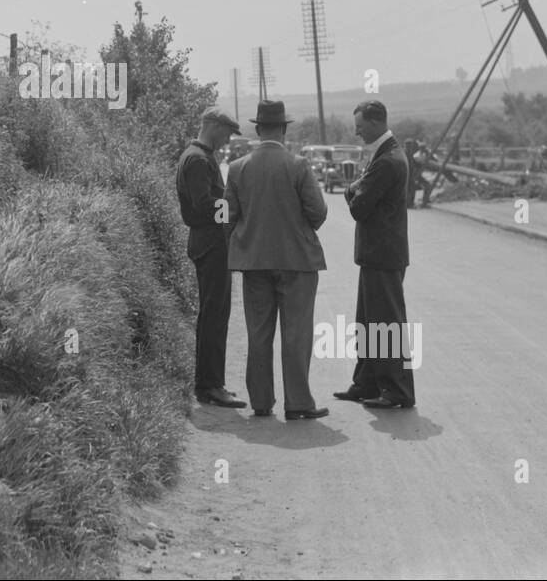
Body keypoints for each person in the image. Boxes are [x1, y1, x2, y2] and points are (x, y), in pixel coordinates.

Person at [223, 99, 329, 420]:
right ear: (283, 129)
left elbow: (228, 216)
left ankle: (261, 401)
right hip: (297, 262)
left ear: (257, 129)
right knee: (296, 334)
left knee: (258, 333)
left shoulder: (238, 167)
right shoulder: (297, 165)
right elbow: (319, 212)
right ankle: (297, 403)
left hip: (254, 263)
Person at [335, 100, 416, 410]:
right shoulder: (388, 154)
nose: (356, 132)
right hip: (378, 254)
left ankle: (398, 390)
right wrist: (357, 187)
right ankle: (366, 383)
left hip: (383, 254)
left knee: (386, 324)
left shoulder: (386, 161)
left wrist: (351, 189)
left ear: (376, 121)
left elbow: (359, 207)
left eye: (360, 126)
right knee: (369, 323)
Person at [176, 106, 246, 409]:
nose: (228, 139)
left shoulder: (199, 156)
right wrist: (232, 206)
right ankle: (210, 386)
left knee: (214, 314)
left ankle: (211, 383)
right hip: (210, 243)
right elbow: (204, 205)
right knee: (214, 316)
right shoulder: (197, 159)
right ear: (215, 127)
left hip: (210, 242)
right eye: (227, 132)